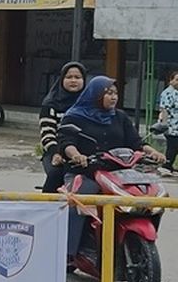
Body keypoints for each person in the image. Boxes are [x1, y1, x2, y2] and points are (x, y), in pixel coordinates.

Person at [58, 76, 165, 261]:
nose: (113, 97)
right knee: (84, 201)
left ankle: (142, 255)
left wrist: (153, 152)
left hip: (118, 172)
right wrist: (76, 155)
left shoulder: (120, 117)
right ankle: (70, 251)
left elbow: (135, 143)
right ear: (95, 95)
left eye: (115, 93)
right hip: (85, 172)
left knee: (151, 197)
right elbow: (66, 142)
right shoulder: (75, 116)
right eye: (107, 93)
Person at [38, 61, 87, 192]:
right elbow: (47, 134)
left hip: (83, 153)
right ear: (62, 79)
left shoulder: (89, 105)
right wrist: (56, 153)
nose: (73, 81)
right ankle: (45, 206)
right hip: (56, 152)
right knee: (56, 174)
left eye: (78, 77)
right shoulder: (51, 104)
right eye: (69, 77)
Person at [157, 69, 178, 171]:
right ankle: (166, 166)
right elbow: (164, 109)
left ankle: (168, 166)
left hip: (176, 127)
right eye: (177, 80)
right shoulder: (168, 93)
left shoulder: (176, 92)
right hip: (172, 127)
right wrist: (164, 124)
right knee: (172, 148)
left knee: (173, 149)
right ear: (171, 80)